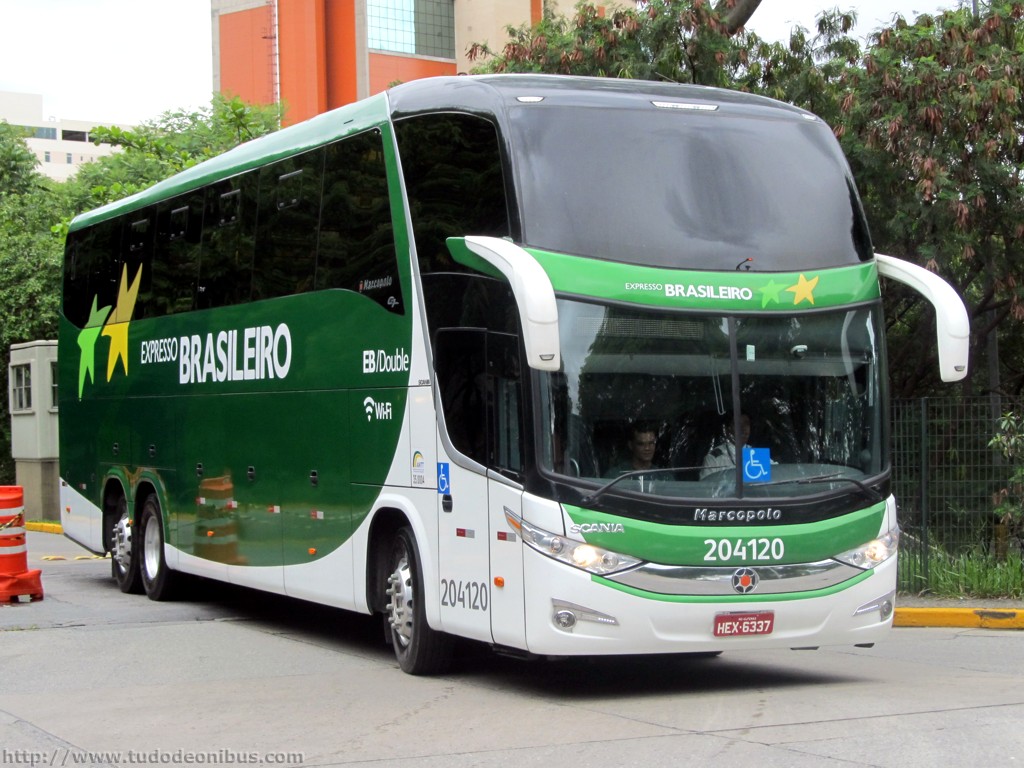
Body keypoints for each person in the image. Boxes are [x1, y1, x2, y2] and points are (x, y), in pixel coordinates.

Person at [700, 413, 750, 479]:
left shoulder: (757, 455)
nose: (743, 429)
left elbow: (763, 484)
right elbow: (706, 485)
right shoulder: (714, 459)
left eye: (746, 424)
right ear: (728, 430)